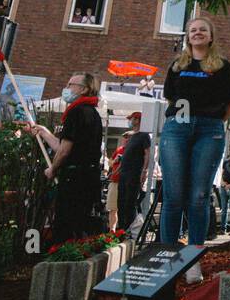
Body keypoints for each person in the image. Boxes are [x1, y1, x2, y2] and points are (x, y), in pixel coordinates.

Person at [159, 16, 230, 282]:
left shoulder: (223, 67)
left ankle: (193, 260)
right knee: (173, 196)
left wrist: (209, 121)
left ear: (211, 36)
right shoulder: (177, 65)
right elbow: (171, 96)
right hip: (176, 129)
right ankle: (166, 257)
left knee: (199, 196)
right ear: (187, 36)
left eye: (202, 29)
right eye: (192, 30)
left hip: (209, 130)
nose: (197, 33)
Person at [31, 73, 105, 243]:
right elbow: (65, 146)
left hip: (74, 178)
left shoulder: (76, 112)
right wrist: (44, 133)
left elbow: (64, 151)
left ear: (84, 89)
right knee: (79, 224)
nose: (67, 88)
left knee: (65, 224)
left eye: (71, 84)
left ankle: (62, 259)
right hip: (89, 176)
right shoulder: (93, 114)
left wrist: (53, 169)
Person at [112, 113, 152, 233]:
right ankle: (123, 229)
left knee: (130, 203)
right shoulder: (132, 136)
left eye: (132, 119)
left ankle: (130, 230)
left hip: (134, 174)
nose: (130, 121)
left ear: (138, 120)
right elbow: (126, 157)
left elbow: (147, 154)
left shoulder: (144, 136)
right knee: (121, 202)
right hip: (124, 174)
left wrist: (144, 171)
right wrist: (116, 170)